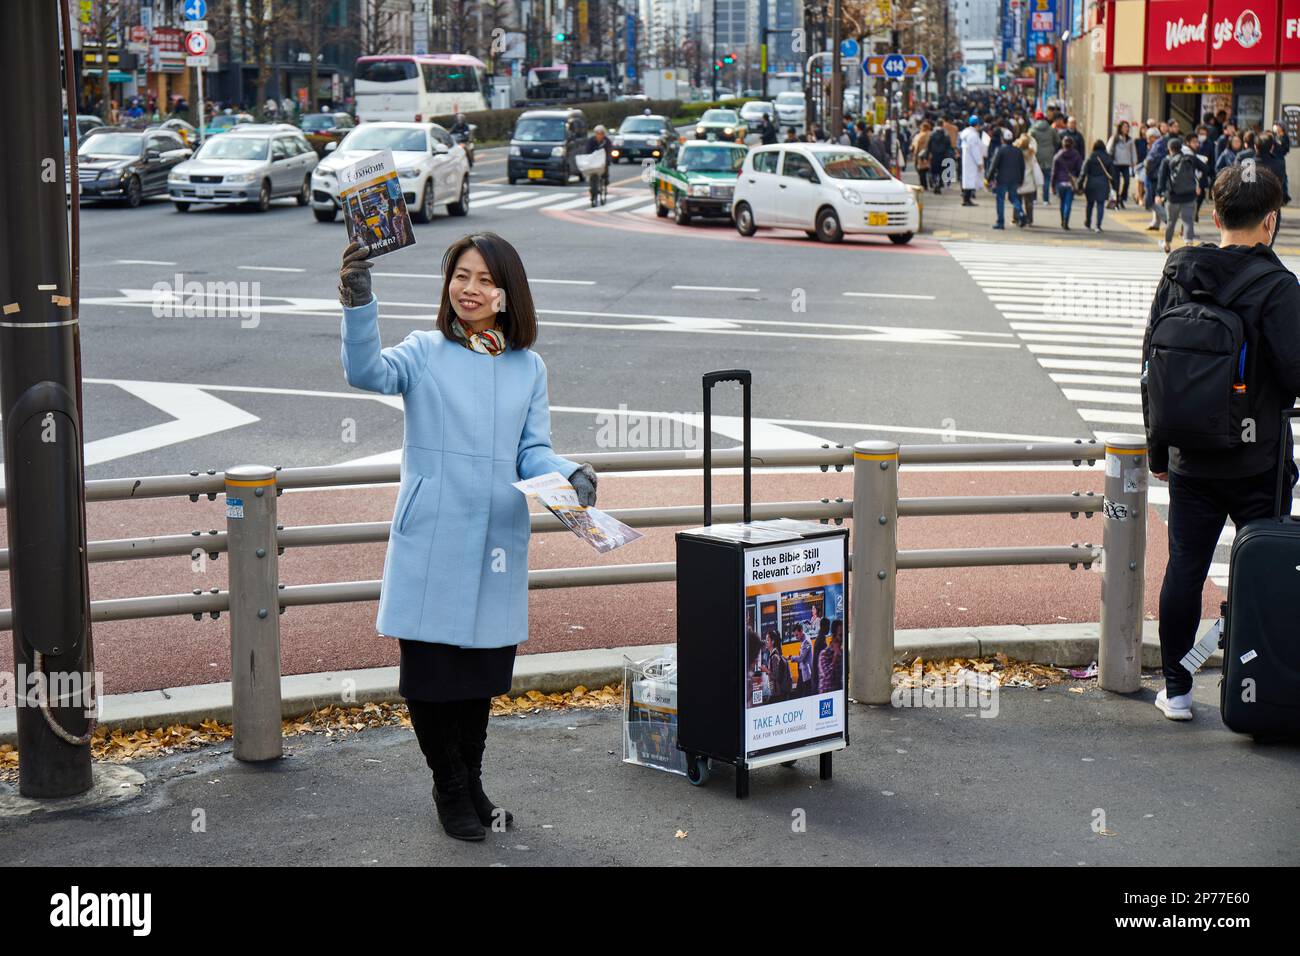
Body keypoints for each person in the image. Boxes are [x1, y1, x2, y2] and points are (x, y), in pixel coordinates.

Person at [337, 233, 599, 841]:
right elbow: (366, 372)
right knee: (430, 677)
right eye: (461, 276)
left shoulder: (527, 366)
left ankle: (473, 780)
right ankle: (449, 788)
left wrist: (569, 474)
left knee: (480, 676)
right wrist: (358, 301)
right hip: (431, 536)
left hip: (497, 543)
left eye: (484, 279)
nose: (470, 289)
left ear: (507, 293)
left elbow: (531, 451)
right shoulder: (426, 350)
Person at [1141, 164, 1300, 721]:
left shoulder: (1180, 269)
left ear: (1214, 215)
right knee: (1261, 568)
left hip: (1191, 453)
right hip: (1259, 460)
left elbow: (1152, 365)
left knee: (1185, 566)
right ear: (1271, 221)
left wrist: (1159, 451)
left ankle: (1178, 689)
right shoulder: (1279, 287)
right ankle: (1251, 683)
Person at [1156, 137, 1201, 253]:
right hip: (1189, 196)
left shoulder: (1167, 160)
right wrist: (1198, 184)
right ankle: (1189, 242)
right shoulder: (1190, 158)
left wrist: (1159, 193)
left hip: (1173, 196)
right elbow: (1205, 168)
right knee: (1188, 221)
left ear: (1169, 148)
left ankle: (1167, 244)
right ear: (1181, 147)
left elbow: (1161, 178)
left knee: (1171, 221)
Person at [986, 127, 1024, 229]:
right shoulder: (1018, 151)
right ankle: (1021, 212)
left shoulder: (1000, 150)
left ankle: (1000, 222)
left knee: (1000, 200)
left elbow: (993, 165)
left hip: (1002, 179)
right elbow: (1022, 166)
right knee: (1014, 198)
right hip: (1015, 179)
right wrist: (1021, 179)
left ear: (1003, 139)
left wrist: (988, 178)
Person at [1081, 139, 1117, 232]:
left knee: (1090, 204)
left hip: (1091, 183)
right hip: (1103, 183)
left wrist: (1080, 184)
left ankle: (1088, 223)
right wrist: (1114, 187)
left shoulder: (1090, 157)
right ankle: (1098, 225)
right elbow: (1112, 174)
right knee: (1100, 205)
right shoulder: (1108, 157)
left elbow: (1083, 172)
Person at [1050, 135, 1083, 229]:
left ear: (1063, 144)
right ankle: (1066, 220)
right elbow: (1080, 169)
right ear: (1072, 144)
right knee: (1068, 203)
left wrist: (1052, 185)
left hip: (1060, 182)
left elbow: (1054, 172)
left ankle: (1062, 220)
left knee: (1062, 202)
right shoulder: (1076, 155)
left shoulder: (1058, 156)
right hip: (1071, 182)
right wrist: (1078, 180)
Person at [1029, 110, 1058, 206]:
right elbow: (1057, 141)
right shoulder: (1051, 130)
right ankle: (1045, 200)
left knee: (1034, 177)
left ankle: (1034, 199)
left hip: (1036, 155)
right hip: (1048, 155)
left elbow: (1028, 142)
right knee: (1046, 178)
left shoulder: (1032, 130)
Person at [580, 124, 612, 204]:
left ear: (604, 134)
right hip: (593, 161)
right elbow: (587, 150)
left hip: (603, 161)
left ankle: (605, 181)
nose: (599, 135)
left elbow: (609, 151)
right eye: (597, 133)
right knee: (592, 176)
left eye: (601, 133)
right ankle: (592, 193)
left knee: (605, 172)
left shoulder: (607, 141)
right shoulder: (591, 140)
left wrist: (608, 160)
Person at [1016, 133, 1043, 226]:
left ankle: (1016, 218)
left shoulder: (1016, 153)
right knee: (1029, 202)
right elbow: (1034, 167)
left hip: (1018, 179)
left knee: (1017, 200)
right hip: (1029, 180)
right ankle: (1029, 219)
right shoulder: (1031, 154)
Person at [1107, 121, 1135, 209]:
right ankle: (1116, 199)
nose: (1126, 129)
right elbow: (1108, 149)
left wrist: (1134, 161)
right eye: (1124, 127)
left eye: (1127, 127)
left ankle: (1122, 197)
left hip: (1126, 163)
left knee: (1127, 181)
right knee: (1116, 183)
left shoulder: (1130, 139)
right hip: (1115, 163)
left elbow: (1133, 151)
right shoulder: (1115, 138)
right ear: (1120, 128)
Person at [959, 115, 985, 206]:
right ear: (977, 124)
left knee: (967, 179)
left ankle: (966, 199)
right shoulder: (973, 135)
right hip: (972, 160)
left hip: (967, 159)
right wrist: (979, 162)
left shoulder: (965, 133)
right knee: (970, 179)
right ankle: (967, 200)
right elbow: (975, 150)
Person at [925, 119, 953, 194]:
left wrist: (926, 156)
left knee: (934, 171)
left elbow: (928, 146)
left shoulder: (932, 135)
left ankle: (935, 183)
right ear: (942, 125)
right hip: (943, 155)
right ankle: (939, 183)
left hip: (934, 156)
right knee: (941, 171)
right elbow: (948, 146)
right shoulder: (945, 134)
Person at [817, 622, 844, 694]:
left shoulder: (842, 653)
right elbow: (827, 676)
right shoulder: (824, 654)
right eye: (840, 635)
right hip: (826, 696)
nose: (843, 638)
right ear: (834, 635)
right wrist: (835, 657)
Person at [912, 120, 933, 190]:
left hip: (921, 156)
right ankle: (932, 183)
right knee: (930, 170)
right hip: (930, 155)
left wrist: (915, 155)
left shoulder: (920, 136)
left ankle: (924, 185)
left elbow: (916, 146)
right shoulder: (932, 134)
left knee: (922, 172)